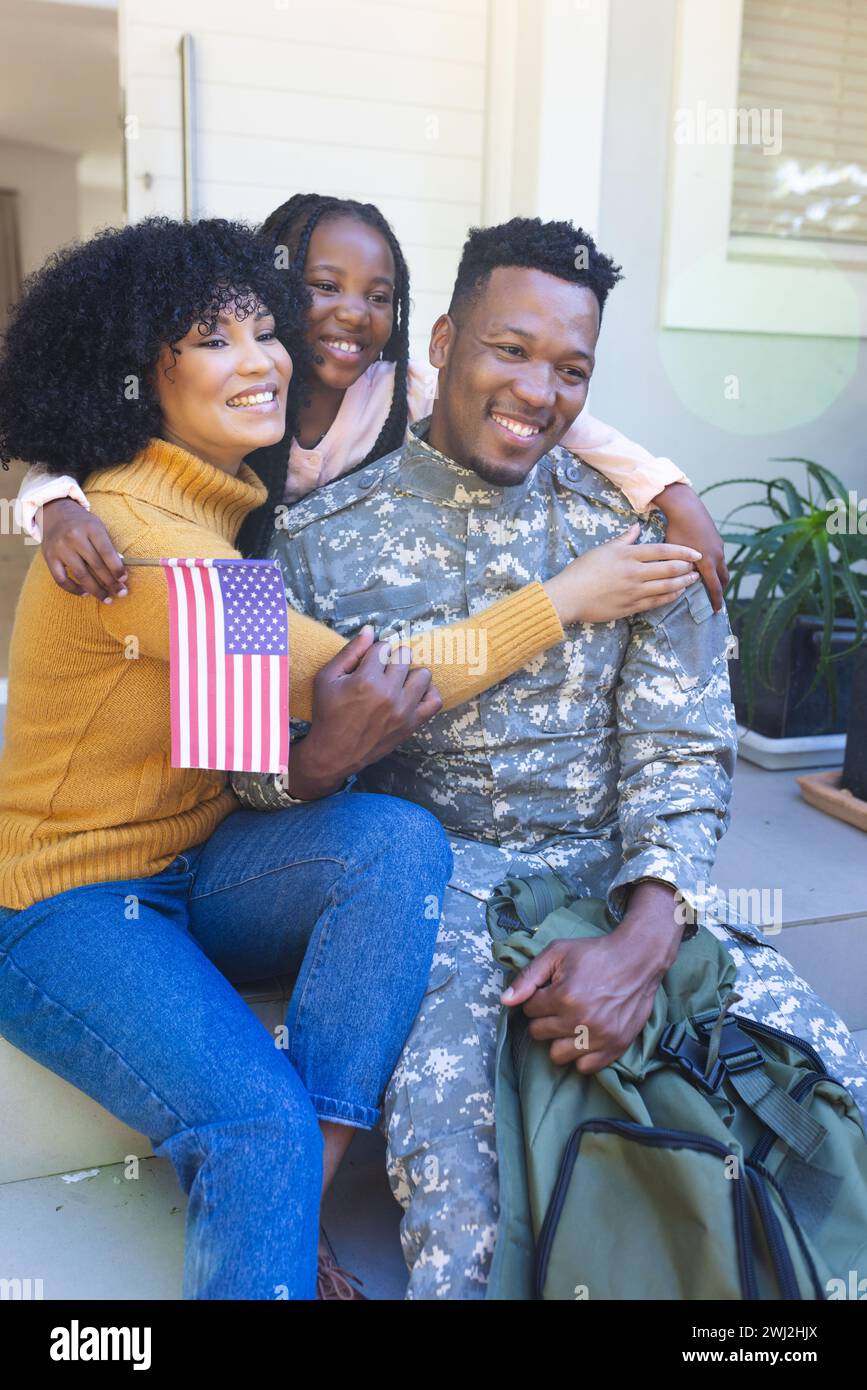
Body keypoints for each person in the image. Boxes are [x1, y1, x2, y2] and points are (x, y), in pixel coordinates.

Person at [261, 215, 867, 1299]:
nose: (540, 392)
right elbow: (258, 770)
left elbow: (683, 750)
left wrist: (644, 937)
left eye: (572, 368)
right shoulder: (312, 542)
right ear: (442, 341)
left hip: (615, 882)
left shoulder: (630, 540)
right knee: (480, 1213)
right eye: (511, 350)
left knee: (833, 1090)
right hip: (433, 909)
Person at [14, 193, 728, 610]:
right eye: (324, 287)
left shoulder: (395, 392)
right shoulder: (236, 395)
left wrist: (671, 491)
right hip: (225, 595)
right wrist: (59, 508)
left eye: (379, 297)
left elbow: (548, 412)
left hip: (319, 600)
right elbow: (89, 447)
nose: (354, 313)